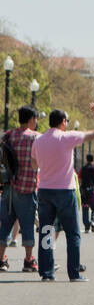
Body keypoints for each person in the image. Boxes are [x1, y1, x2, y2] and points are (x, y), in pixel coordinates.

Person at [32, 104, 94, 281]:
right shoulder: (67, 138)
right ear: (63, 122)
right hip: (65, 191)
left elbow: (35, 165)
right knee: (72, 234)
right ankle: (73, 273)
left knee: (46, 231)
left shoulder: (39, 140)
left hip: (45, 190)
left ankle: (47, 272)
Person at [0, 106, 43, 272]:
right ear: (32, 119)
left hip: (9, 187)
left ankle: (1, 259)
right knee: (27, 226)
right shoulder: (36, 138)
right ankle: (28, 260)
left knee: (5, 224)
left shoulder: (8, 136)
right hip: (28, 187)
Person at [79, 154, 94, 233]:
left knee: (85, 208)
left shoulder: (83, 169)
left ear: (86, 159)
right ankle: (93, 221)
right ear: (93, 160)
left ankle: (86, 226)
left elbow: (79, 180)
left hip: (84, 191)